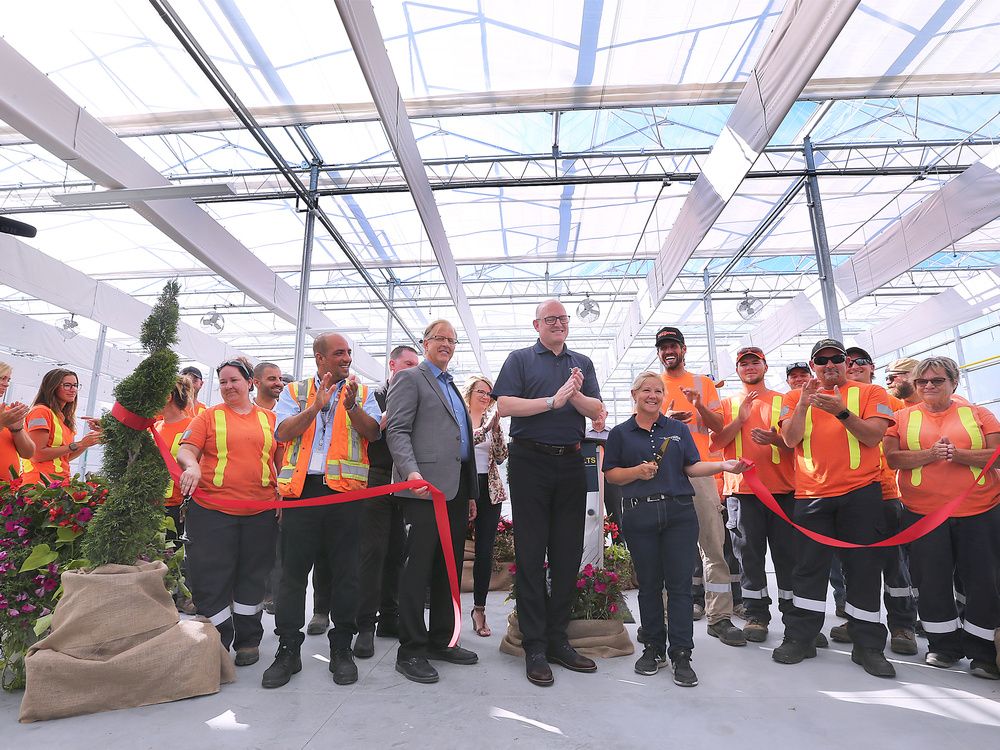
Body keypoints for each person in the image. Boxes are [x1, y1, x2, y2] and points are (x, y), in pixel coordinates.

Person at [605, 371, 749, 687]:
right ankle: (653, 647)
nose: (653, 395)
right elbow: (612, 475)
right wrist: (636, 472)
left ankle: (682, 652)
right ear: (634, 394)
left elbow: (691, 468)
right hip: (640, 514)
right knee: (650, 586)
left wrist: (723, 466)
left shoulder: (678, 429)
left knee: (681, 585)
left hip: (678, 512)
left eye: (658, 391)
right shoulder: (620, 433)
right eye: (646, 390)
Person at [492, 299, 604, 687]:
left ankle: (559, 639)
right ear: (536, 323)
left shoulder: (582, 364)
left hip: (572, 463)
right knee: (530, 553)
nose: (558, 323)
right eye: (550, 319)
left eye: (563, 318)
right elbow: (504, 404)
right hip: (530, 463)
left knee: (567, 553)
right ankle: (535, 645)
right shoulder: (521, 359)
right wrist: (551, 401)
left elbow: (596, 410)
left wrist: (572, 394)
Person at [773, 338, 897, 678]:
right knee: (808, 569)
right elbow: (789, 439)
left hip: (861, 494)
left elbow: (873, 438)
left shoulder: (871, 394)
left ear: (847, 362)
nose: (830, 365)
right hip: (811, 496)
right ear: (813, 366)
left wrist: (840, 411)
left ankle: (867, 645)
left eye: (836, 359)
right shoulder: (792, 397)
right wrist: (803, 404)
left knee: (863, 569)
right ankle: (802, 638)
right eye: (822, 360)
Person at [264, 333, 381, 689]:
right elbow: (282, 432)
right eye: (339, 353)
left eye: (348, 353)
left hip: (345, 495)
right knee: (292, 575)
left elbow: (374, 433)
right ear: (319, 359)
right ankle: (287, 648)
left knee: (347, 573)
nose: (347, 358)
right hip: (303, 495)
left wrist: (350, 407)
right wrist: (315, 406)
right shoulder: (295, 392)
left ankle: (341, 647)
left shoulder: (361, 393)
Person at [883, 356, 1000, 680]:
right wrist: (931, 454)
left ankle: (983, 653)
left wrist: (958, 455)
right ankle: (943, 646)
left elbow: (998, 454)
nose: (929, 386)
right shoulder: (902, 417)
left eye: (937, 380)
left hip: (980, 511)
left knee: (983, 582)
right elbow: (892, 458)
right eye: (923, 382)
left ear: (953, 383)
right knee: (930, 581)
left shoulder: (979, 413)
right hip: (924, 514)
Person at [386, 320, 480, 684]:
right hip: (422, 491)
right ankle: (410, 649)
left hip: (453, 493)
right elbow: (397, 429)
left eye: (451, 340)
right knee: (417, 569)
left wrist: (470, 494)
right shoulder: (411, 379)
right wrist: (410, 472)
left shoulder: (452, 384)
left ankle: (443, 639)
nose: (446, 344)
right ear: (424, 343)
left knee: (448, 568)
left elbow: (463, 445)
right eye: (439, 338)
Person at [177, 357, 279, 667]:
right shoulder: (208, 417)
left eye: (234, 380)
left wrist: (282, 497)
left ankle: (248, 640)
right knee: (211, 575)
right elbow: (186, 449)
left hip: (260, 511)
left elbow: (285, 463)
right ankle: (218, 637)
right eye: (222, 382)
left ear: (250, 383)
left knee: (253, 575)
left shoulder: (270, 420)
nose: (227, 386)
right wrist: (192, 466)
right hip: (212, 511)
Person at [654, 326, 745, 647]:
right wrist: (665, 416)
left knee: (712, 545)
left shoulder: (702, 384)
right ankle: (663, 616)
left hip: (700, 473)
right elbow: (640, 429)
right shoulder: (652, 384)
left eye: (673, 346)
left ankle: (719, 617)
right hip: (663, 476)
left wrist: (699, 406)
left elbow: (720, 428)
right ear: (658, 351)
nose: (669, 351)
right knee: (665, 547)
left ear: (683, 349)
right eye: (663, 346)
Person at [710, 347, 800, 644]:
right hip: (743, 492)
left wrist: (774, 438)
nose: (749, 367)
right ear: (737, 370)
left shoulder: (784, 400)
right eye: (743, 364)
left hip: (782, 490)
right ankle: (756, 615)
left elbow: (794, 442)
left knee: (788, 557)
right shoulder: (727, 403)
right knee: (749, 557)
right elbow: (717, 443)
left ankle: (793, 617)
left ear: (765, 366)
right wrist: (739, 419)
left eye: (755, 362)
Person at [834, 346, 918, 655]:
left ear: (872, 367)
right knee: (854, 565)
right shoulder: (833, 399)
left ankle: (902, 625)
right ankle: (857, 621)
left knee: (894, 565)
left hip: (883, 493)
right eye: (848, 361)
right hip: (849, 496)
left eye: (860, 361)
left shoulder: (893, 403)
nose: (853, 365)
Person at [352, 344, 420, 659]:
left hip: (403, 479)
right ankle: (364, 624)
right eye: (407, 363)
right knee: (372, 553)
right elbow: (368, 432)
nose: (412, 369)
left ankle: (389, 618)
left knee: (397, 550)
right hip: (376, 479)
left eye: (415, 365)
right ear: (392, 365)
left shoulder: (416, 397)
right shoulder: (373, 395)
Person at [463, 374, 508, 638]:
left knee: (485, 551)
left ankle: (479, 609)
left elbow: (501, 458)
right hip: (462, 488)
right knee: (454, 548)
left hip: (489, 490)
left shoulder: (494, 423)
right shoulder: (458, 417)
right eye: (481, 391)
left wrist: (497, 429)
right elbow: (463, 448)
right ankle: (449, 609)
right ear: (469, 392)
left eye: (489, 394)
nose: (485, 397)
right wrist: (486, 429)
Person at [154, 375, 196, 615]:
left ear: (168, 396)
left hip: (181, 502)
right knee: (162, 552)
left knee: (182, 552)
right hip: (157, 502)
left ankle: (186, 596)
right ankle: (165, 595)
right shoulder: (157, 426)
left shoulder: (192, 426)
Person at [21, 369, 102, 485]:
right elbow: (37, 455)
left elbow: (63, 457)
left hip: (58, 484)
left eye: (75, 385)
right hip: (38, 486)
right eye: (67, 385)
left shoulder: (62, 418)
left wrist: (87, 443)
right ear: (52, 387)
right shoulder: (40, 412)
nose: (73, 389)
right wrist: (80, 444)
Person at [253, 361, 285, 614]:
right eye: (272, 379)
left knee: (276, 549)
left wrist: (282, 492)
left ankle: (272, 595)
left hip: (274, 494)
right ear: (255, 382)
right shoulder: (245, 412)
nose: (278, 383)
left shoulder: (284, 414)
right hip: (245, 495)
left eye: (280, 378)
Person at [0, 362, 34, 480]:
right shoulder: (5, 416)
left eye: (8, 380)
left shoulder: (7, 413)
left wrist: (17, 429)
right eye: (2, 378)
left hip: (8, 489)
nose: (6, 384)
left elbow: (28, 453)